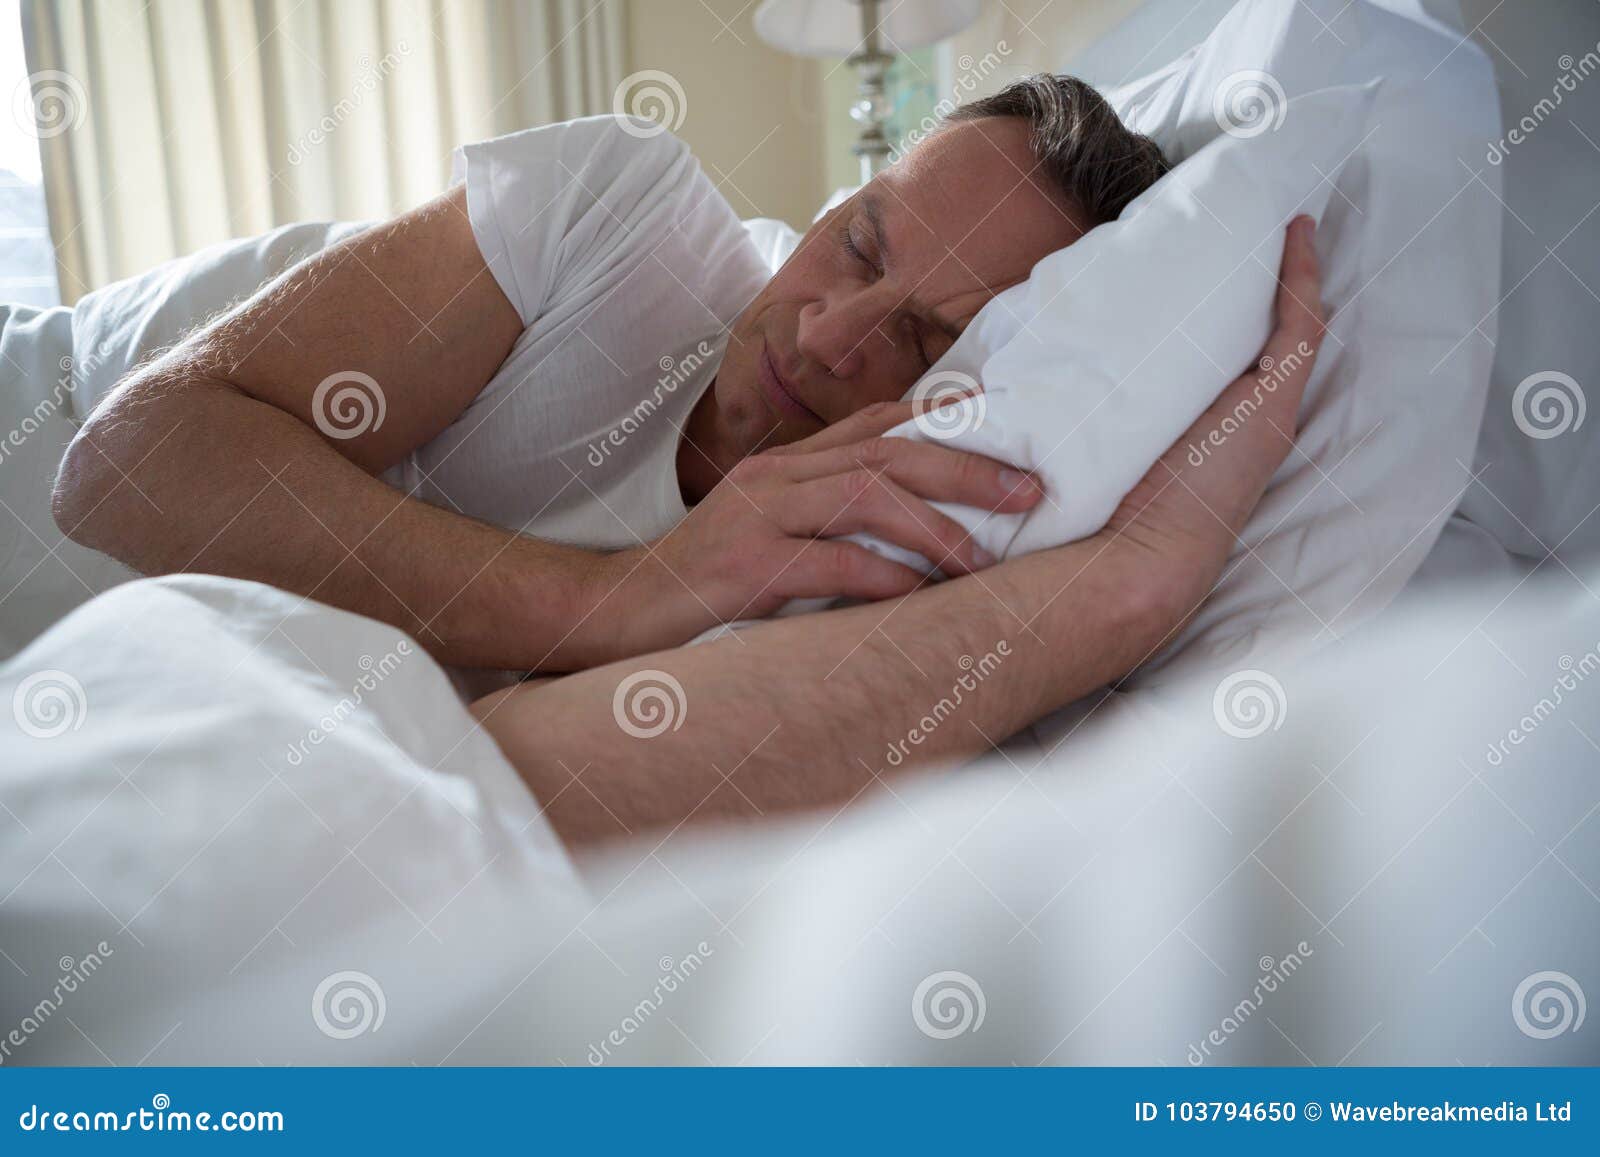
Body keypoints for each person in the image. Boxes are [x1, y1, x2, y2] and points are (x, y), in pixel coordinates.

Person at [50, 75, 1324, 842]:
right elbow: (121, 462)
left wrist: (1145, 568)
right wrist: (611, 596)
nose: (828, 336)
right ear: (843, 196)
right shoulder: (616, 214)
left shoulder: (904, 550)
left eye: (922, 338)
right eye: (862, 249)